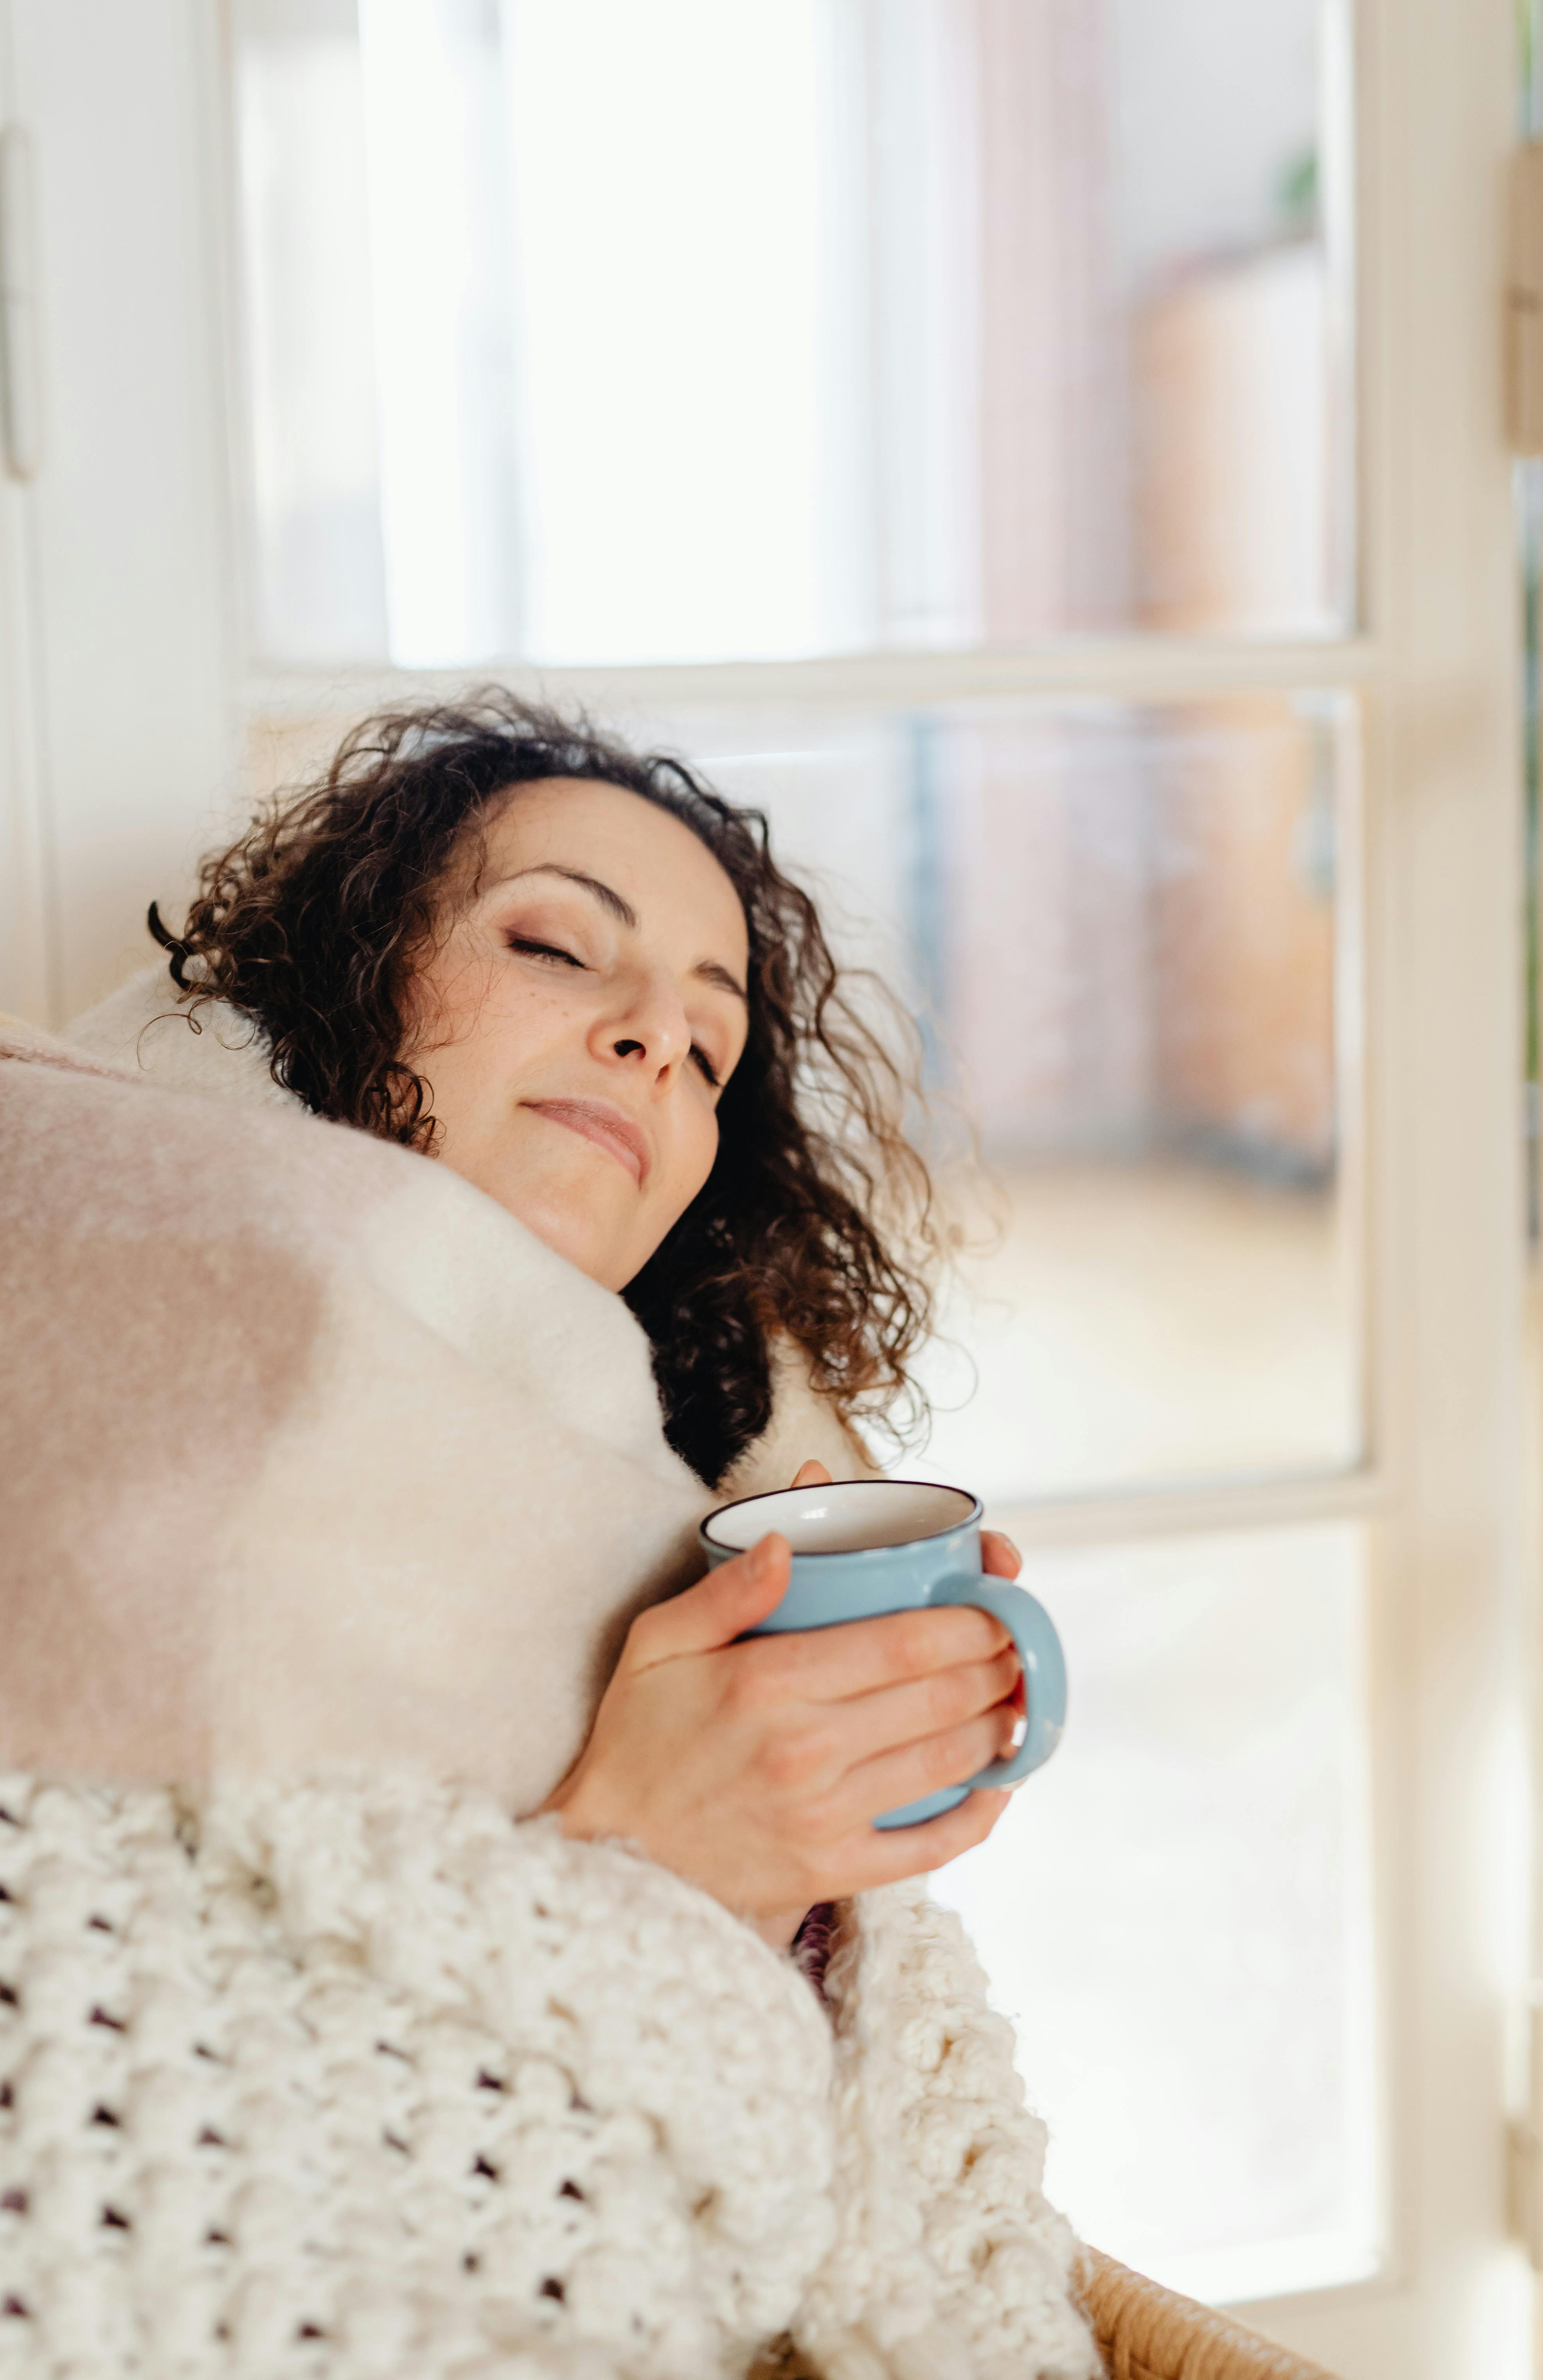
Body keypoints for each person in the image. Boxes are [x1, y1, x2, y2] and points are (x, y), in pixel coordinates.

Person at [138, 690, 1024, 1948]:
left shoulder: (713, 1503)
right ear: (346, 973)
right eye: (555, 947)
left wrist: (797, 1835)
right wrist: (652, 1865)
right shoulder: (106, 1343)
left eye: (710, 1050)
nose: (660, 1036)